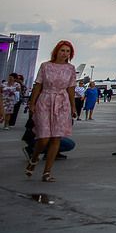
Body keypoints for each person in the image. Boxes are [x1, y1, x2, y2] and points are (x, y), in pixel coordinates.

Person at [25, 40, 77, 182]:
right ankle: (34, 159)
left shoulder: (70, 69)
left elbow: (71, 89)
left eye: (67, 52)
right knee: (44, 138)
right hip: (45, 100)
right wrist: (32, 104)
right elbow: (38, 85)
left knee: (56, 138)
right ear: (56, 51)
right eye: (62, 51)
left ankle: (47, 172)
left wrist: (73, 106)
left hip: (62, 103)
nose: (64, 54)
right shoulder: (45, 66)